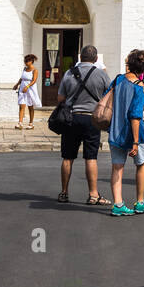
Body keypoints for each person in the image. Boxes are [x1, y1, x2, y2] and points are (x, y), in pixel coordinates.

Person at [55, 44, 110, 205]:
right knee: (91, 158)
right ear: (96, 59)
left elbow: (60, 99)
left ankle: (64, 192)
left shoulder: (69, 73)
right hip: (92, 119)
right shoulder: (101, 74)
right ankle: (93, 194)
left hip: (71, 118)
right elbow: (110, 93)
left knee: (67, 157)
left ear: (80, 58)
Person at [108, 49, 144, 216]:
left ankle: (118, 204)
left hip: (116, 129)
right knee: (141, 164)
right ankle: (140, 201)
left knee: (117, 167)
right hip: (136, 133)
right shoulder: (139, 87)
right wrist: (135, 141)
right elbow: (135, 116)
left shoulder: (118, 79)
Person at [16, 54, 41, 128]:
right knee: (21, 105)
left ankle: (31, 123)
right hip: (22, 88)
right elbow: (21, 78)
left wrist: (27, 86)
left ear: (31, 61)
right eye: (25, 61)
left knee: (30, 106)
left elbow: (34, 80)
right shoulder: (24, 69)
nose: (25, 62)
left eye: (27, 61)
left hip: (30, 89)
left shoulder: (35, 70)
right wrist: (17, 84)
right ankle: (20, 123)